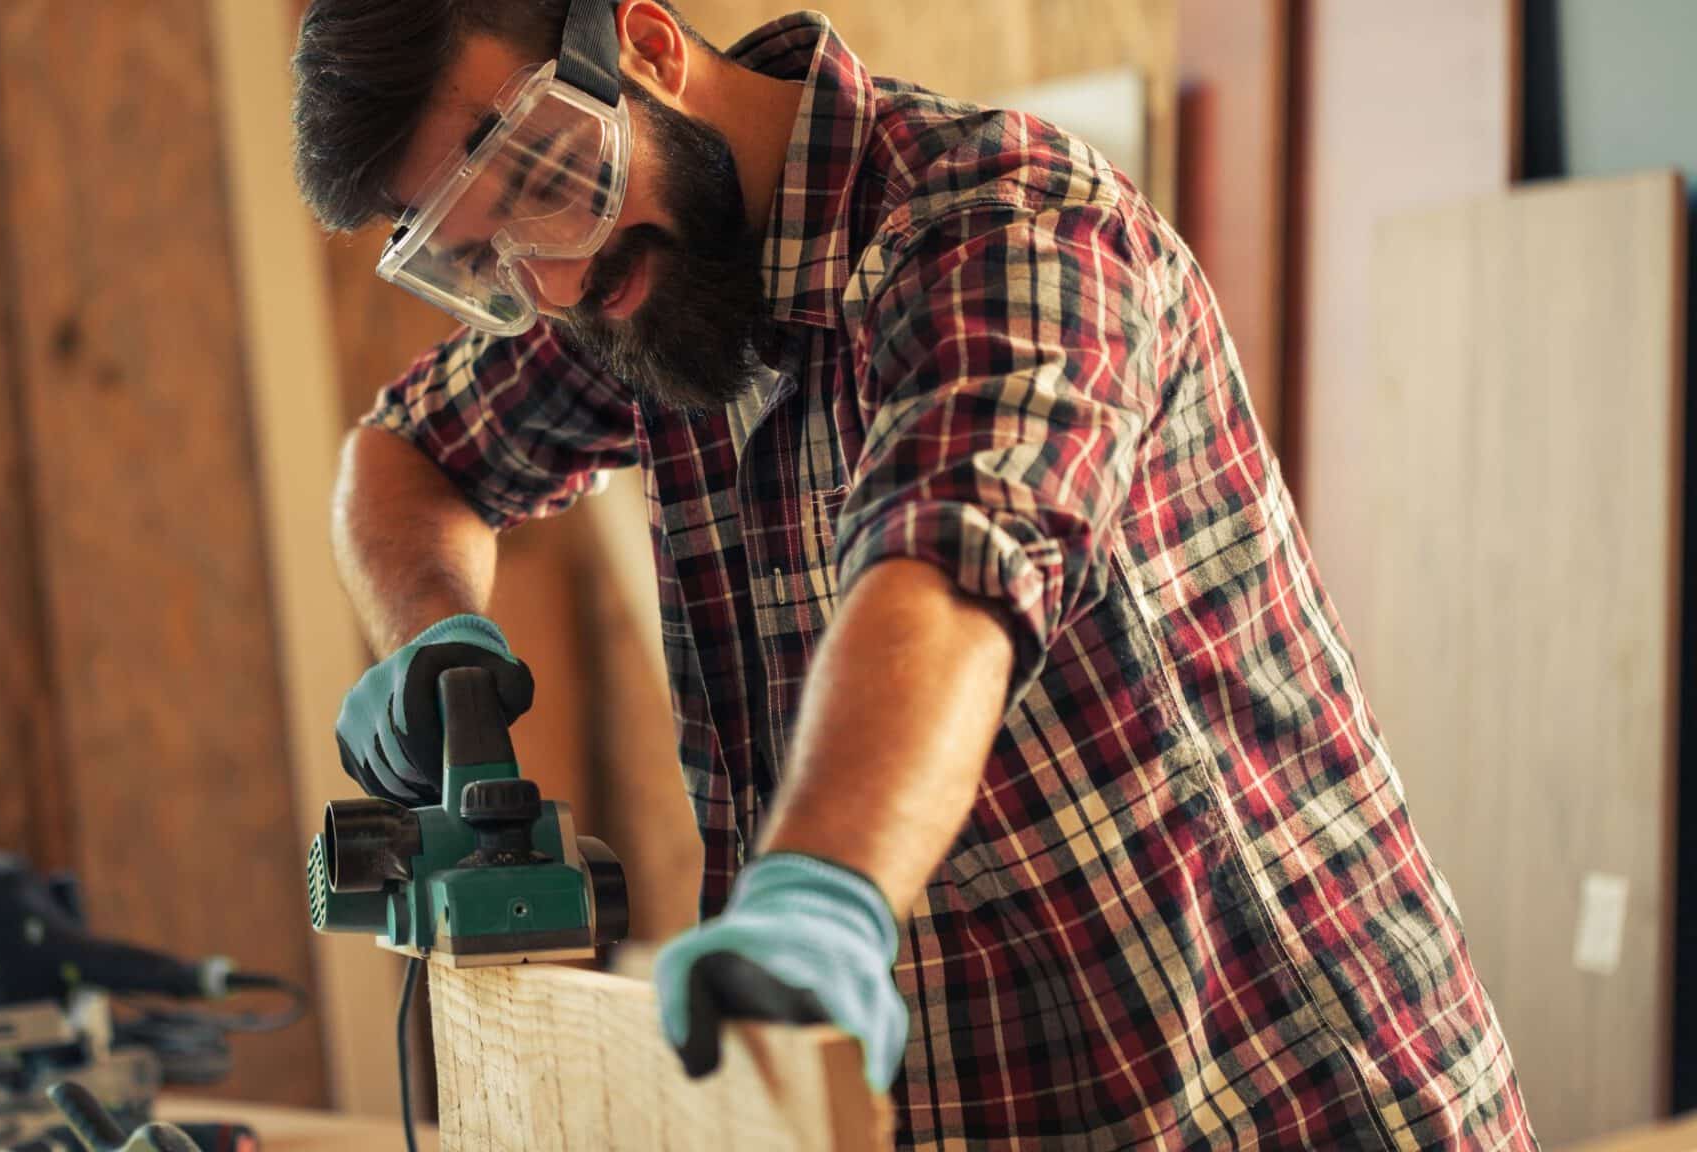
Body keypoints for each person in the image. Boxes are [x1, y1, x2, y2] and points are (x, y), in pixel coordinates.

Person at [294, 1, 1537, 1146]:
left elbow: (944, 577)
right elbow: (402, 457)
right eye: (485, 258)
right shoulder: (636, 286)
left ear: (646, 47)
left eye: (547, 180)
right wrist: (431, 637)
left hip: (1271, 1097)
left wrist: (820, 892)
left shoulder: (1004, 226)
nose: (553, 279)